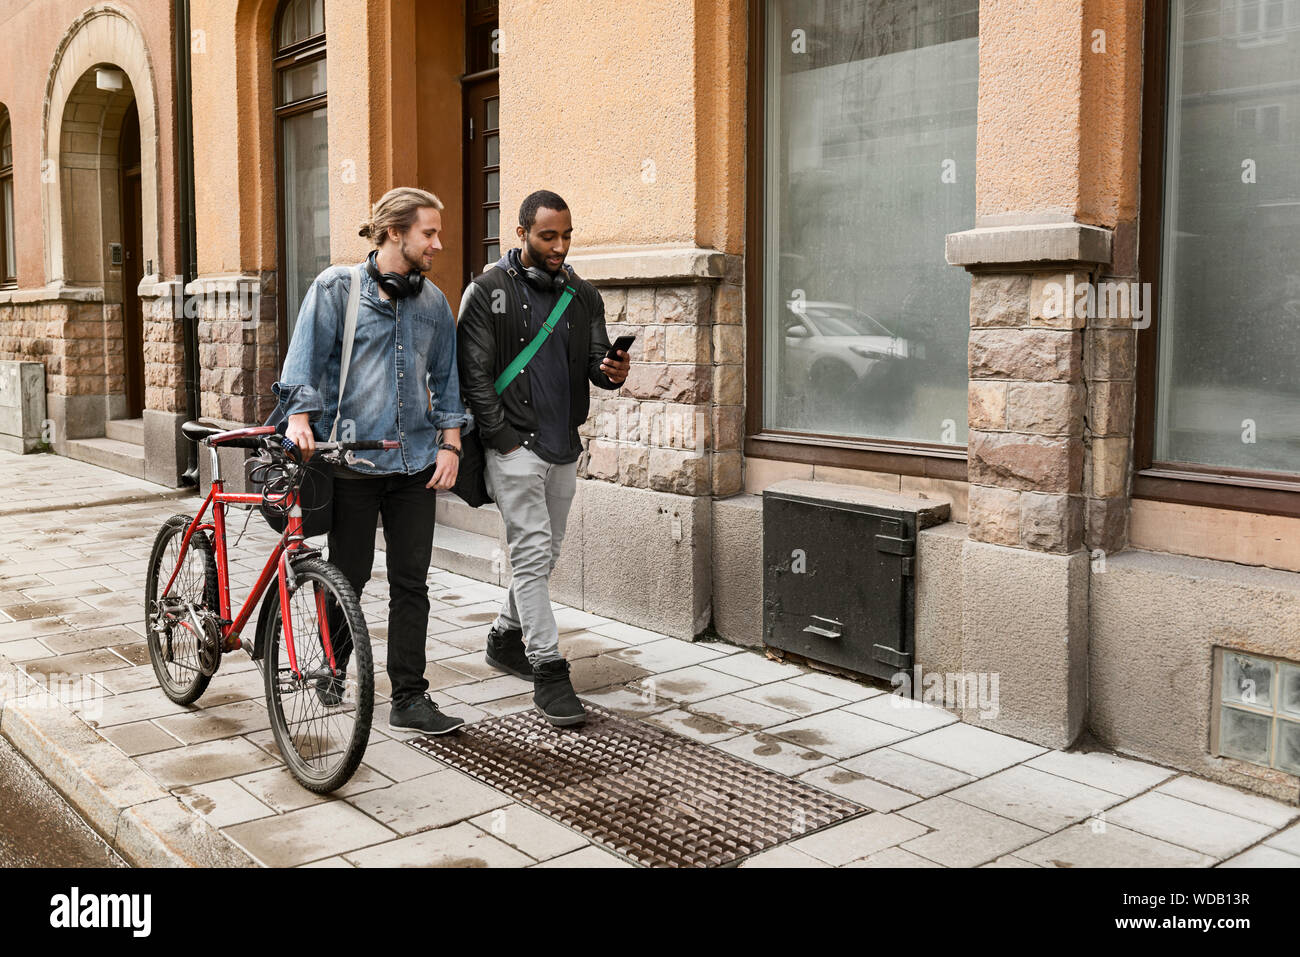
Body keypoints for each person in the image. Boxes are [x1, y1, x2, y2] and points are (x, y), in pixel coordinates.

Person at [270, 187, 469, 736]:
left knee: (412, 583)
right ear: (393, 232)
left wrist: (450, 445)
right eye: (428, 233)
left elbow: (447, 382)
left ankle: (409, 697)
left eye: (437, 233)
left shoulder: (433, 303)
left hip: (414, 467)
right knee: (347, 576)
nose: (438, 243)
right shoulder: (338, 288)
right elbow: (303, 361)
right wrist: (300, 421)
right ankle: (332, 667)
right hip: (350, 464)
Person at [457, 190, 631, 727]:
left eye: (566, 235)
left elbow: (596, 367)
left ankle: (506, 637)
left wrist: (613, 370)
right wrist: (501, 439)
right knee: (532, 554)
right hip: (514, 447)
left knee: (547, 553)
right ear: (522, 234)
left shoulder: (582, 295)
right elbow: (475, 377)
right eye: (547, 236)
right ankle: (549, 672)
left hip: (563, 445)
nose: (559, 246)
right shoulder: (487, 293)